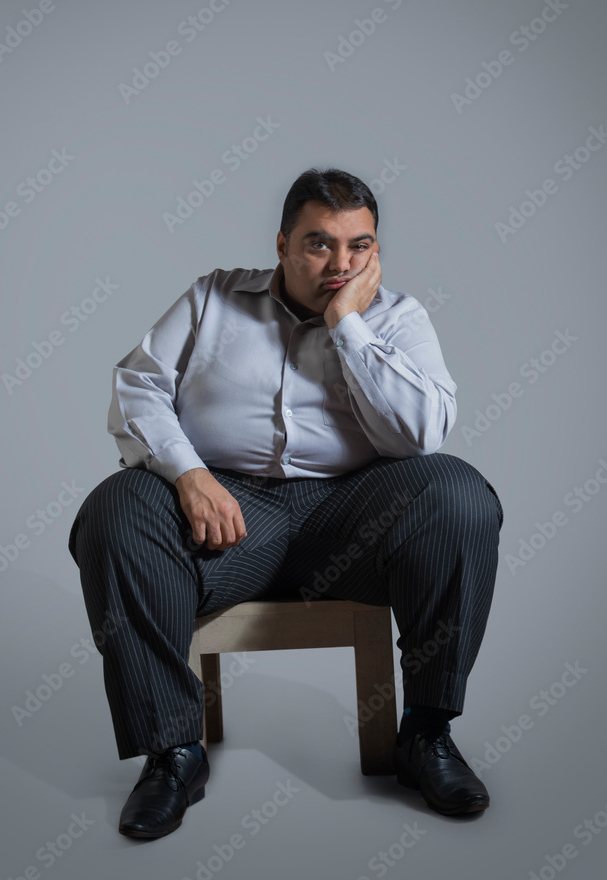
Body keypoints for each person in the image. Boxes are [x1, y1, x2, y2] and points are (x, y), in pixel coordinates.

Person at [68, 167, 504, 840]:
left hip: (353, 515)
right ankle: (172, 754)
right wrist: (188, 474)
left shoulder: (397, 317)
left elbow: (417, 436)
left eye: (359, 245)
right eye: (318, 244)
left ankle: (425, 735)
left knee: (457, 493)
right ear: (280, 245)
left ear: (375, 250)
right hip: (228, 519)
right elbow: (139, 387)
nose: (340, 262)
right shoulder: (212, 298)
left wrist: (347, 324)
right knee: (116, 509)